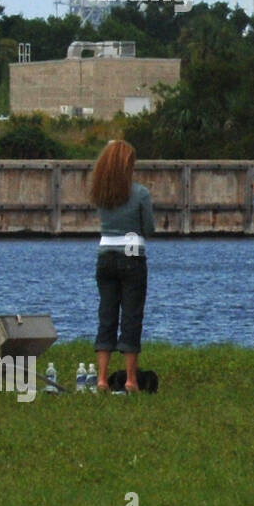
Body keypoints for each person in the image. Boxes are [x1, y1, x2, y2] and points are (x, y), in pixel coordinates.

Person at [89, 139, 155, 393]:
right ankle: (130, 379)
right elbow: (148, 229)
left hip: (105, 255)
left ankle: (102, 379)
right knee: (131, 316)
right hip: (131, 254)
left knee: (106, 315)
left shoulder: (99, 192)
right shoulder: (140, 193)